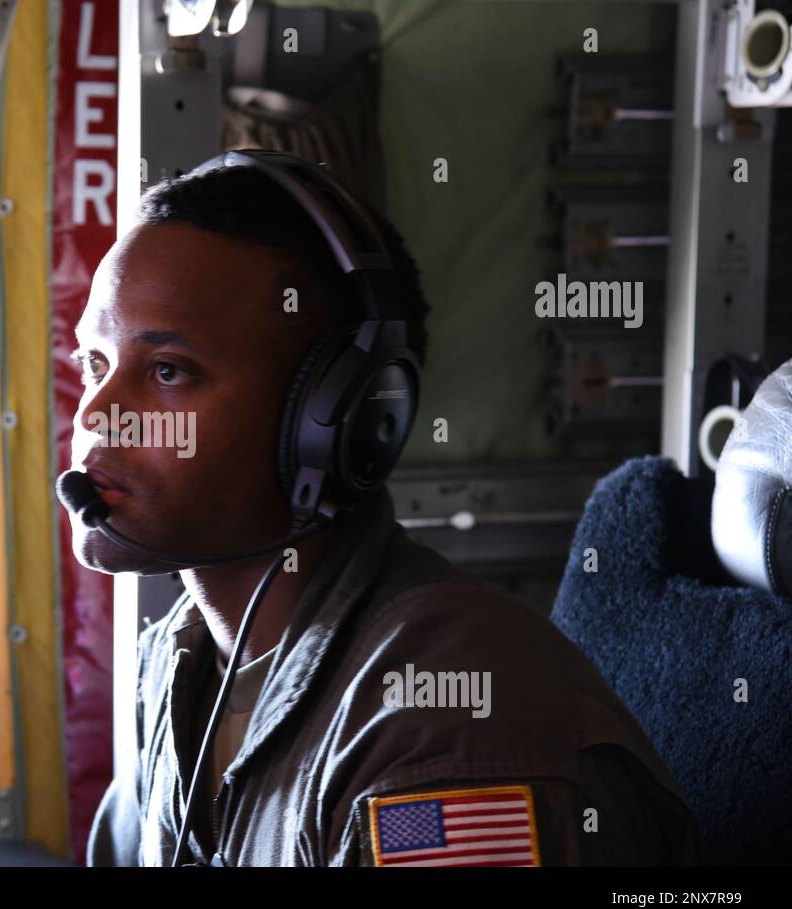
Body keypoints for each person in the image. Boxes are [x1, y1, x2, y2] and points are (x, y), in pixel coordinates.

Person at [64, 158, 700, 866]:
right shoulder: (176, 667)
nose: (96, 413)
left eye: (167, 371)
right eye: (93, 365)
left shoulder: (451, 724)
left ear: (333, 423)